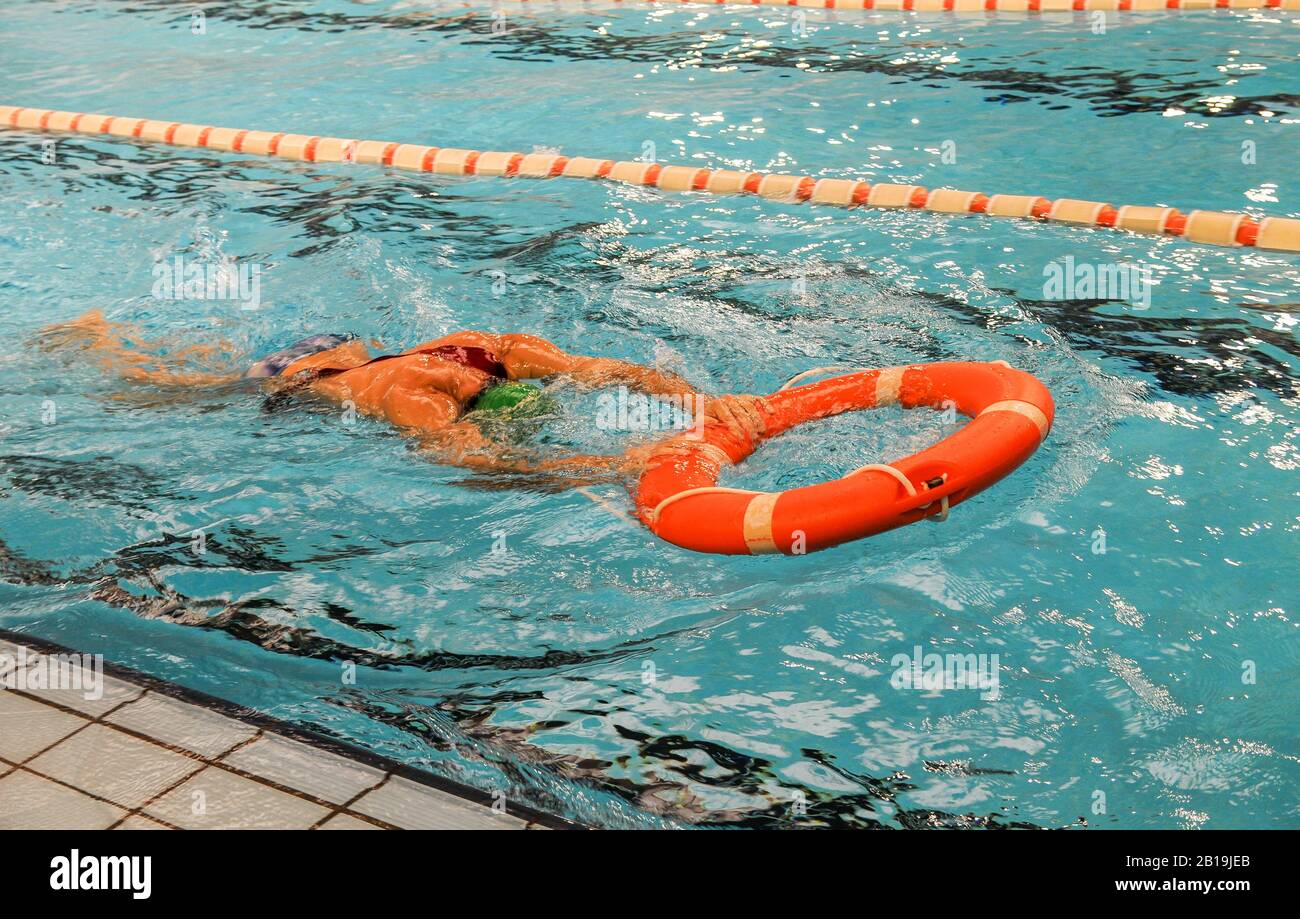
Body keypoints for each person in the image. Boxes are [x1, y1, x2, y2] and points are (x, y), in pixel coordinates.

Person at [38, 310, 766, 487]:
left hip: (347, 349)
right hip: (308, 380)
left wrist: (704, 402)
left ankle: (108, 336)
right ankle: (97, 342)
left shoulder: (499, 349)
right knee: (174, 394)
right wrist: (620, 463)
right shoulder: (420, 397)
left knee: (200, 373)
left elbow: (618, 371)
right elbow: (479, 467)